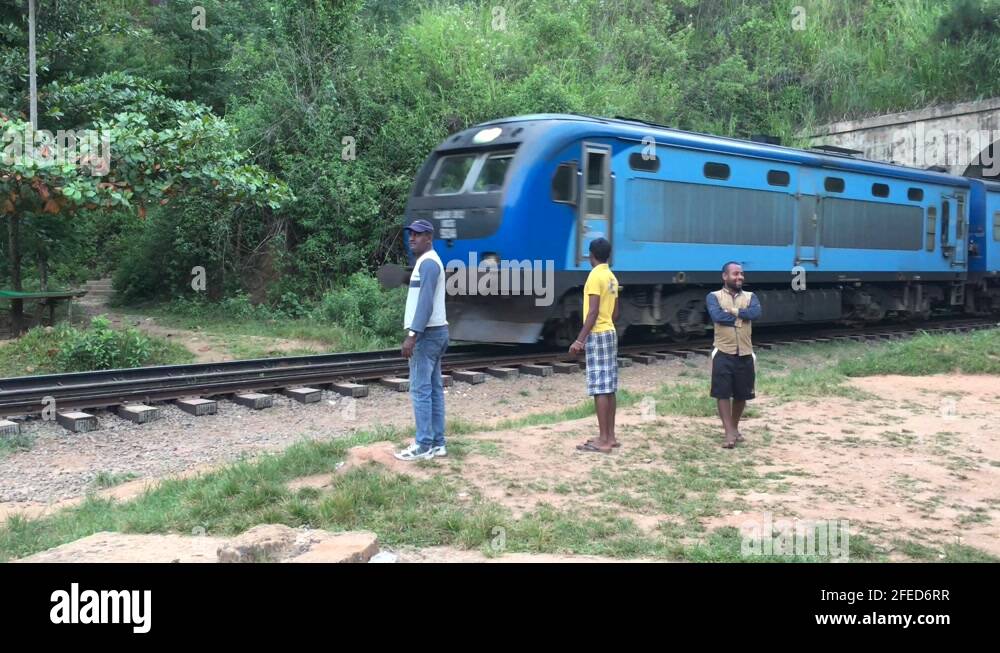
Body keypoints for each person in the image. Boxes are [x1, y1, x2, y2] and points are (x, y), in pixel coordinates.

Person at [394, 219, 449, 461]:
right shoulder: (429, 262)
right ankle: (437, 443)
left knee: (420, 390)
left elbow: (425, 304)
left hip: (427, 336)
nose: (412, 238)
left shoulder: (427, 264)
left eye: (418, 234)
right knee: (433, 390)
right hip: (437, 332)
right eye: (411, 234)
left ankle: (423, 444)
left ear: (429, 237)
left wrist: (412, 336)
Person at [569, 238, 620, 453]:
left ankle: (603, 441)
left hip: (597, 333)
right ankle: (611, 436)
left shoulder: (594, 276)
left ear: (591, 254)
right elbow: (615, 312)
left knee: (599, 387)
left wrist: (580, 339)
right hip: (610, 332)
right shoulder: (611, 277)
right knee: (609, 387)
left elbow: (593, 311)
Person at [705, 261, 762, 449]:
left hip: (745, 352)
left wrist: (734, 311)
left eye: (741, 274)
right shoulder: (713, 297)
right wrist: (741, 319)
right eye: (735, 274)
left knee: (742, 394)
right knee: (722, 393)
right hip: (723, 351)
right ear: (725, 276)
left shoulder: (751, 296)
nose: (740, 277)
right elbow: (717, 317)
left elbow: (755, 313)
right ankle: (729, 431)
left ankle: (734, 427)